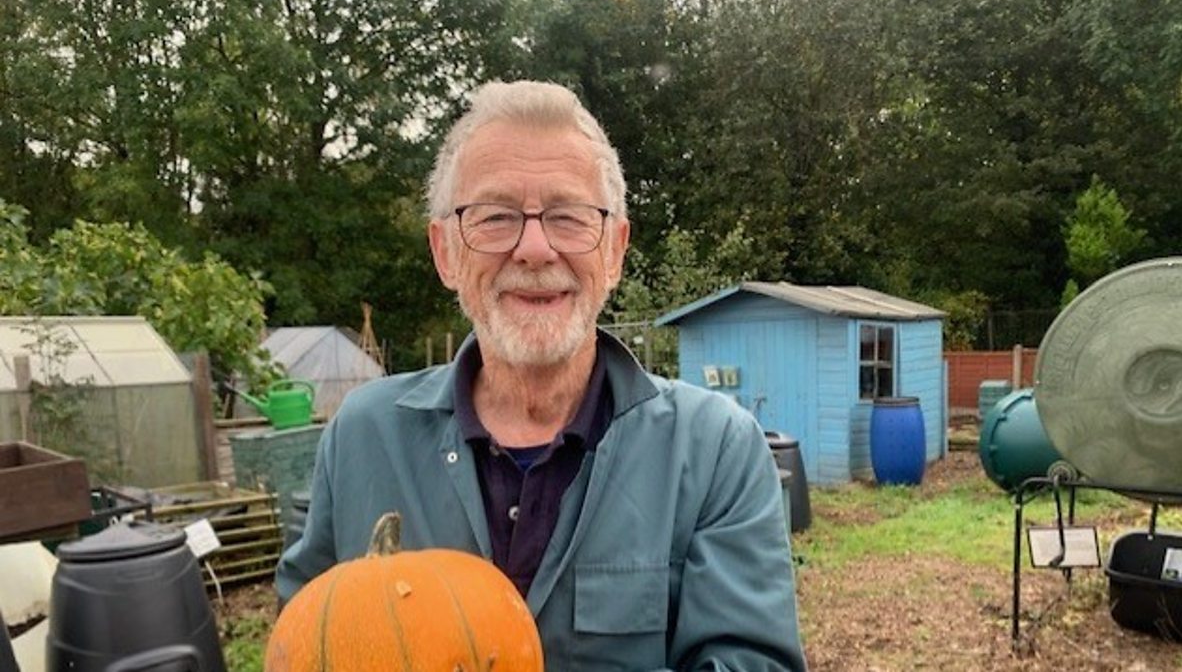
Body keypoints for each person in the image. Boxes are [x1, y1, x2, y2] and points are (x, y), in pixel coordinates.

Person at [276, 79, 807, 671]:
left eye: (569, 216)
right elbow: (307, 639)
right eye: (496, 216)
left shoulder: (715, 452)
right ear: (446, 251)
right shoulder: (361, 438)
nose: (533, 248)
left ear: (614, 250)